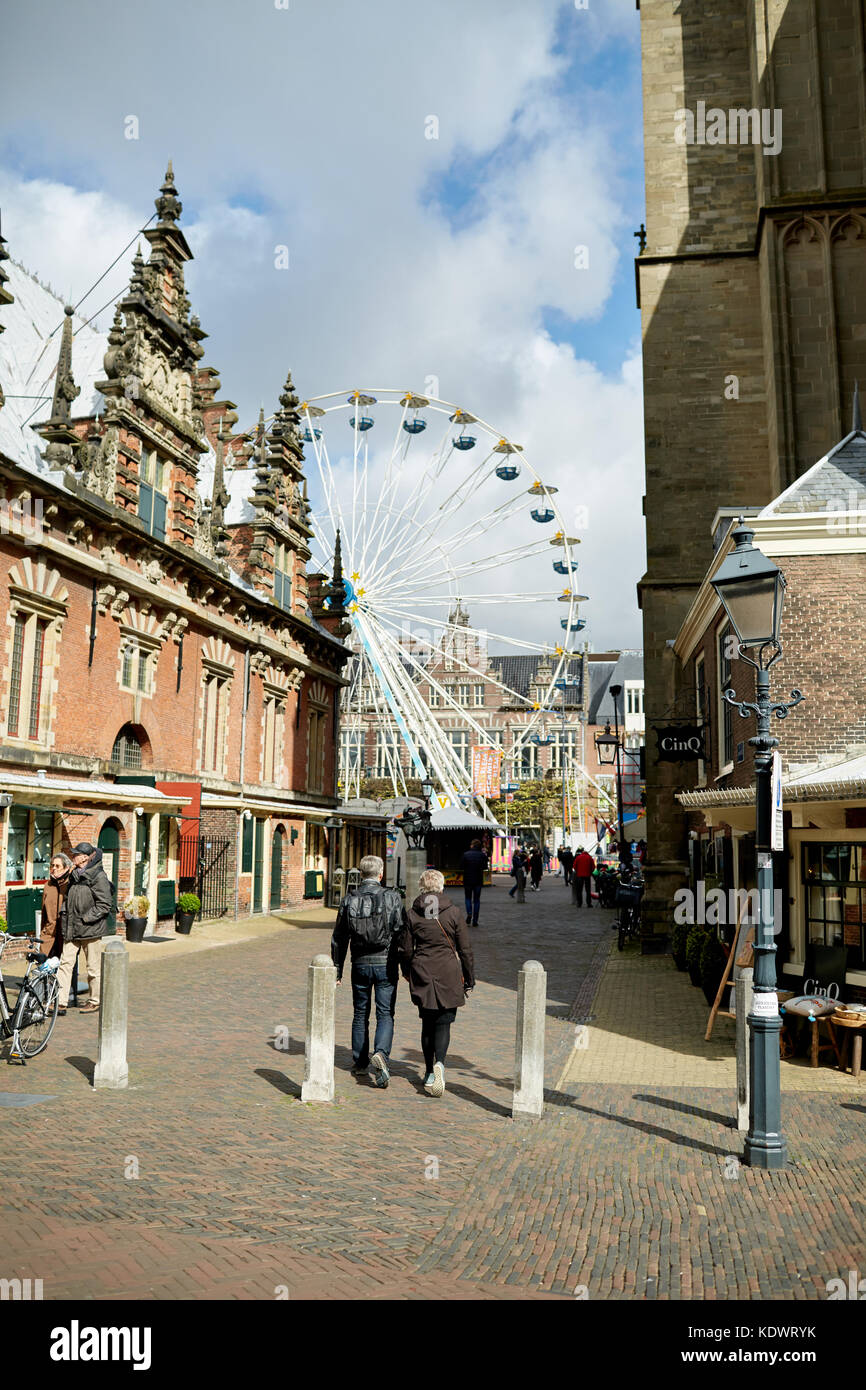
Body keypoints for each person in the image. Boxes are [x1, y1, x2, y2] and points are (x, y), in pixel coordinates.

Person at [399, 868, 475, 1097]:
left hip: (423, 971)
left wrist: (407, 971)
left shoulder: (413, 913)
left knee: (427, 1022)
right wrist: (469, 978)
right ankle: (440, 1063)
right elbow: (465, 949)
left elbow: (405, 948)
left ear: (422, 887)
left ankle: (430, 1071)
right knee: (443, 1023)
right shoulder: (453, 912)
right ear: (442, 887)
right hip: (448, 973)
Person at [331, 853, 403, 1088]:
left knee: (360, 1012)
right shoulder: (392, 897)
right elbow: (400, 931)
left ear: (361, 874)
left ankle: (360, 1062)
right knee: (385, 1013)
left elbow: (339, 937)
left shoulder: (348, 899)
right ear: (380, 874)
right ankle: (381, 1053)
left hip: (360, 962)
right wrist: (405, 964)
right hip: (385, 962)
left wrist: (337, 968)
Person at [57, 843, 114, 1016]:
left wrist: (86, 918)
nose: (73, 856)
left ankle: (94, 1001)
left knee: (93, 968)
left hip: (90, 929)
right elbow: (68, 897)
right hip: (72, 928)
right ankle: (61, 1002)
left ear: (85, 857)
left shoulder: (98, 876)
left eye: (76, 854)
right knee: (65, 964)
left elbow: (104, 904)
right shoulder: (74, 875)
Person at [40, 852, 72, 963]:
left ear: (66, 868)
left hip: (65, 937)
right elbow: (43, 912)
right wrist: (42, 933)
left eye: (57, 866)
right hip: (49, 935)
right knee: (44, 968)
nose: (54, 868)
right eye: (52, 865)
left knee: (65, 970)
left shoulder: (71, 885)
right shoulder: (47, 885)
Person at [461, 837, 488, 927]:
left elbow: (461, 866)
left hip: (468, 879)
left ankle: (469, 913)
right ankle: (475, 920)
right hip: (478, 880)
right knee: (476, 900)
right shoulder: (482, 855)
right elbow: (485, 867)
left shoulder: (466, 854)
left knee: (468, 898)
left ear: (472, 845)